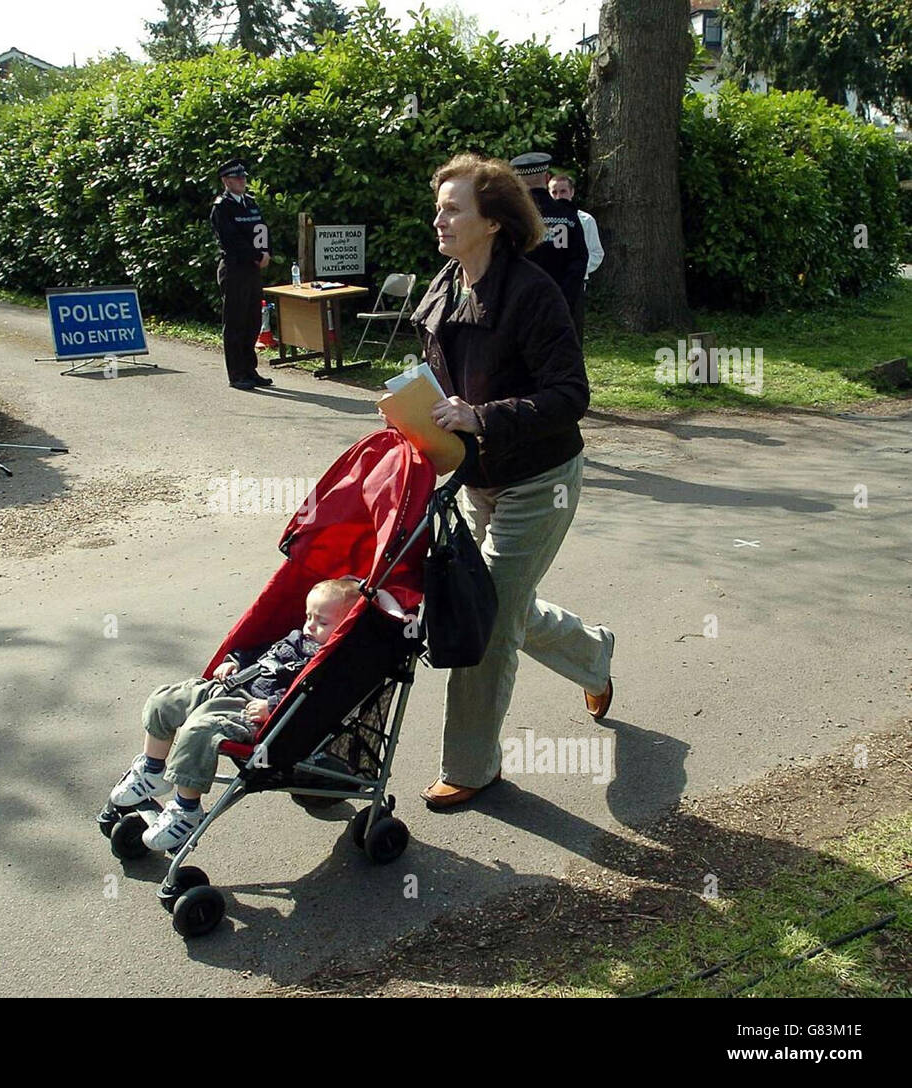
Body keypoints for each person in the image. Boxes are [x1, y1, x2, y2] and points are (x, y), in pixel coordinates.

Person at [412, 153, 615, 809]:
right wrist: (411, 410)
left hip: (541, 476)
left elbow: (570, 394)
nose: (438, 217)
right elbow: (441, 380)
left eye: (453, 208)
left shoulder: (533, 293)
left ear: (493, 222)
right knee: (504, 602)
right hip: (479, 478)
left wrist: (480, 416)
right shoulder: (444, 285)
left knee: (487, 616)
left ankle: (472, 766)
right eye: (439, 205)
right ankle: (591, 651)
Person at [108, 579, 361, 850]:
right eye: (308, 616)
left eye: (322, 622)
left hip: (256, 714)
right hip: (234, 688)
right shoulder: (298, 638)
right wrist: (236, 660)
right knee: (165, 699)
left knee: (199, 730)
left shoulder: (332, 663)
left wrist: (273, 707)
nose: (310, 625)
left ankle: (186, 809)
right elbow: (264, 652)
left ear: (346, 628)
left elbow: (318, 700)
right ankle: (152, 770)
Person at [209, 159, 274, 390]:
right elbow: (231, 240)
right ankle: (236, 374)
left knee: (252, 321)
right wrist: (255, 256)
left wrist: (265, 252)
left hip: (253, 269)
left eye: (244, 177)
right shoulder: (222, 207)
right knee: (236, 322)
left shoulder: (250, 203)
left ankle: (250, 369)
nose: (242, 181)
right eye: (237, 178)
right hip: (235, 268)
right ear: (226, 181)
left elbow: (262, 229)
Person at [509, 151, 588, 326]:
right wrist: (565, 298)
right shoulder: (567, 214)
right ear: (547, 178)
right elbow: (579, 259)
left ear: (519, 181)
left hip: (519, 303)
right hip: (560, 303)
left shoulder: (512, 218)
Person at [549, 173, 604, 343]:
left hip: (575, 284)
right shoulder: (546, 220)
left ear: (572, 193)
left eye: (563, 191)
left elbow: (596, 253)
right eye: (554, 192)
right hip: (551, 282)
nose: (559, 196)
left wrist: (576, 270)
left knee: (573, 328)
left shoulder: (585, 220)